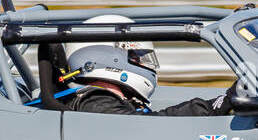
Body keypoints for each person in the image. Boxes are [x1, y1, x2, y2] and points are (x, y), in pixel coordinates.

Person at [58, 44, 238, 116]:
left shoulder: (107, 102)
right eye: (135, 58)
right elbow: (149, 129)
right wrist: (213, 106)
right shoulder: (97, 104)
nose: (140, 64)